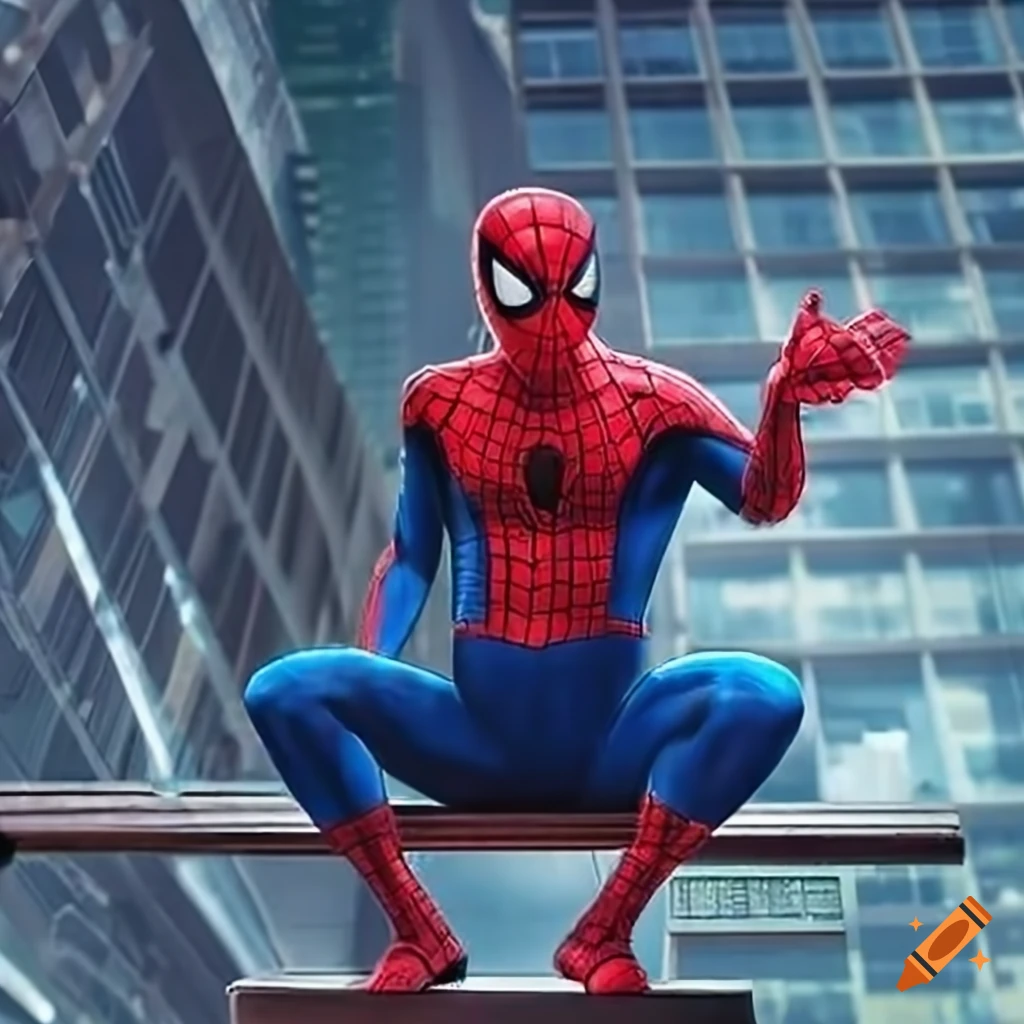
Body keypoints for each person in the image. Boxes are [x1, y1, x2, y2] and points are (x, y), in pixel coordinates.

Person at [244, 187, 908, 994]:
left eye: (573, 288)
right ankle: (417, 927)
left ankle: (606, 931)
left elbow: (763, 498)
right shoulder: (439, 405)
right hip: (477, 741)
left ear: (594, 280)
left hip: (610, 744)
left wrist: (783, 400)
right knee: (285, 689)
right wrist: (370, 674)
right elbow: (412, 556)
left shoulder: (658, 405)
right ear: (486, 286)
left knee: (762, 694)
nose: (554, 318)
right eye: (527, 291)